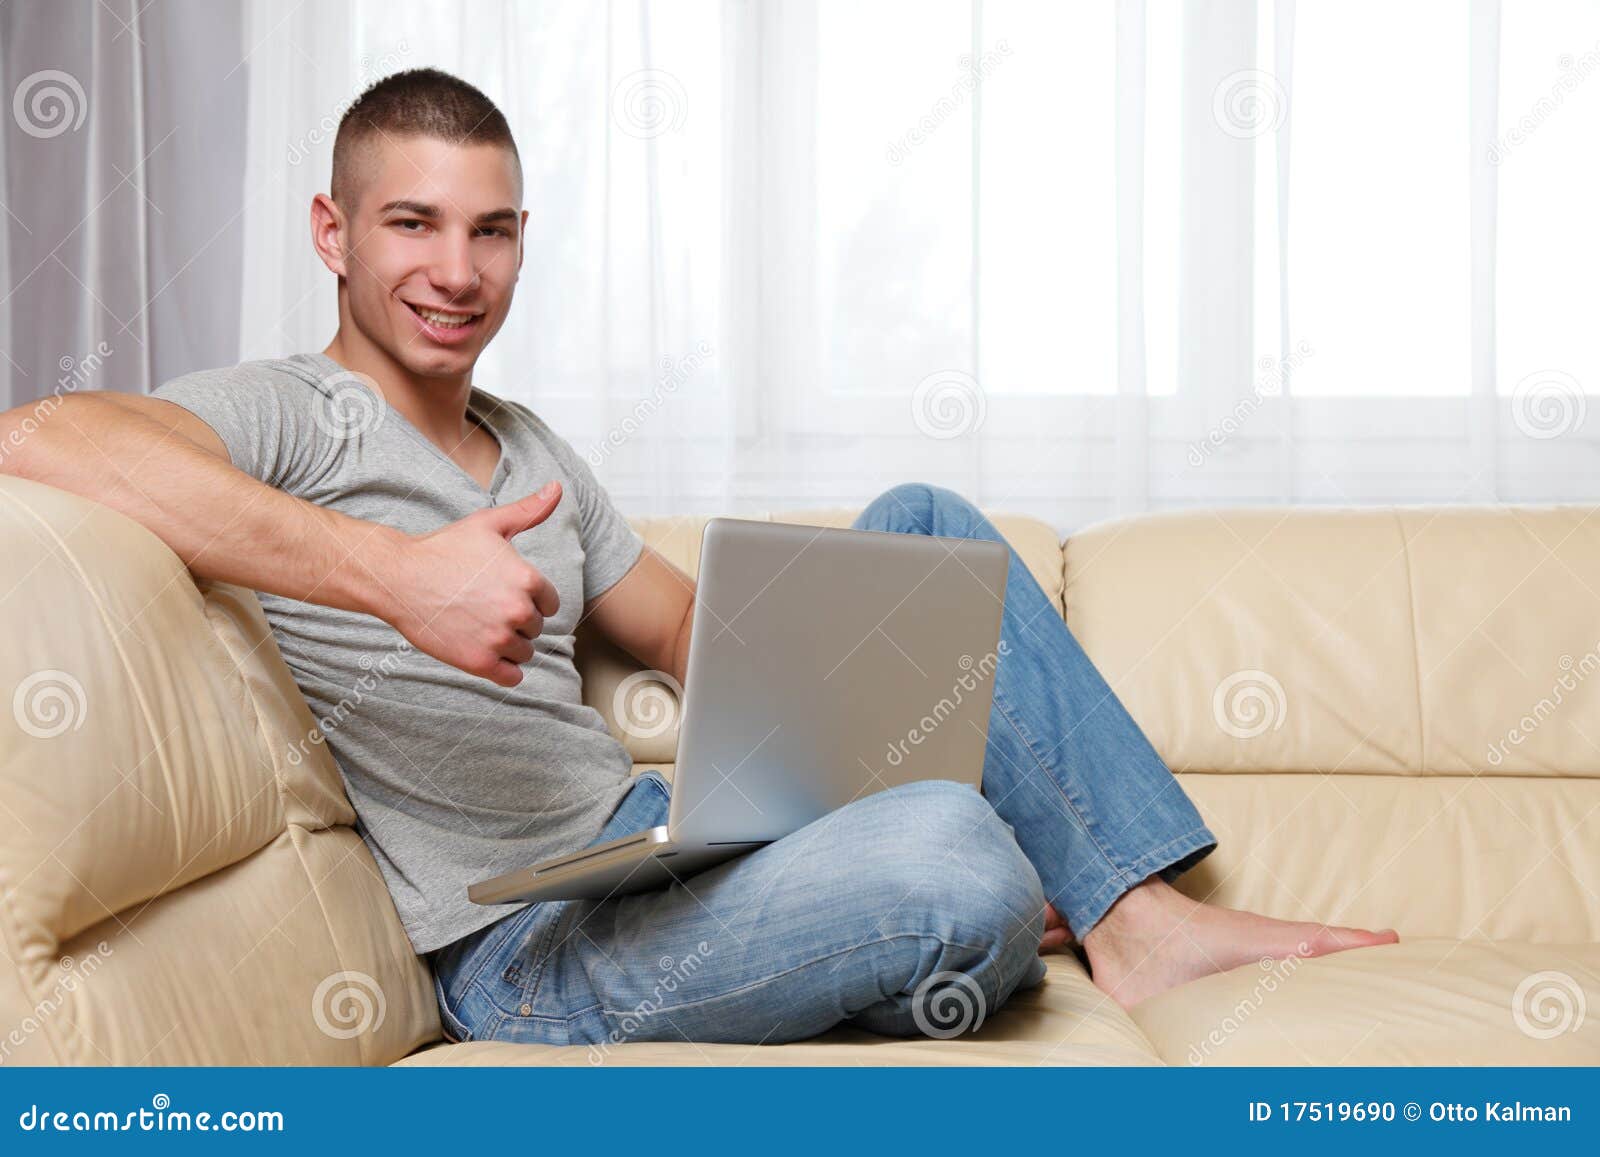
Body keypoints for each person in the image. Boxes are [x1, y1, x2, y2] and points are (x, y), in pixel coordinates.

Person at [0, 69, 1396, 1048]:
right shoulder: (282, 412)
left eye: (489, 229)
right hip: (528, 951)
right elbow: (41, 431)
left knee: (927, 524)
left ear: (523, 242)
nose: (455, 268)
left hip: (654, 852)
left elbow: (693, 636)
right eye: (410, 222)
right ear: (333, 233)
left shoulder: (530, 442)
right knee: (957, 853)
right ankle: (954, 925)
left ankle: (1127, 912)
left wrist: (839, 706)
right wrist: (392, 573)